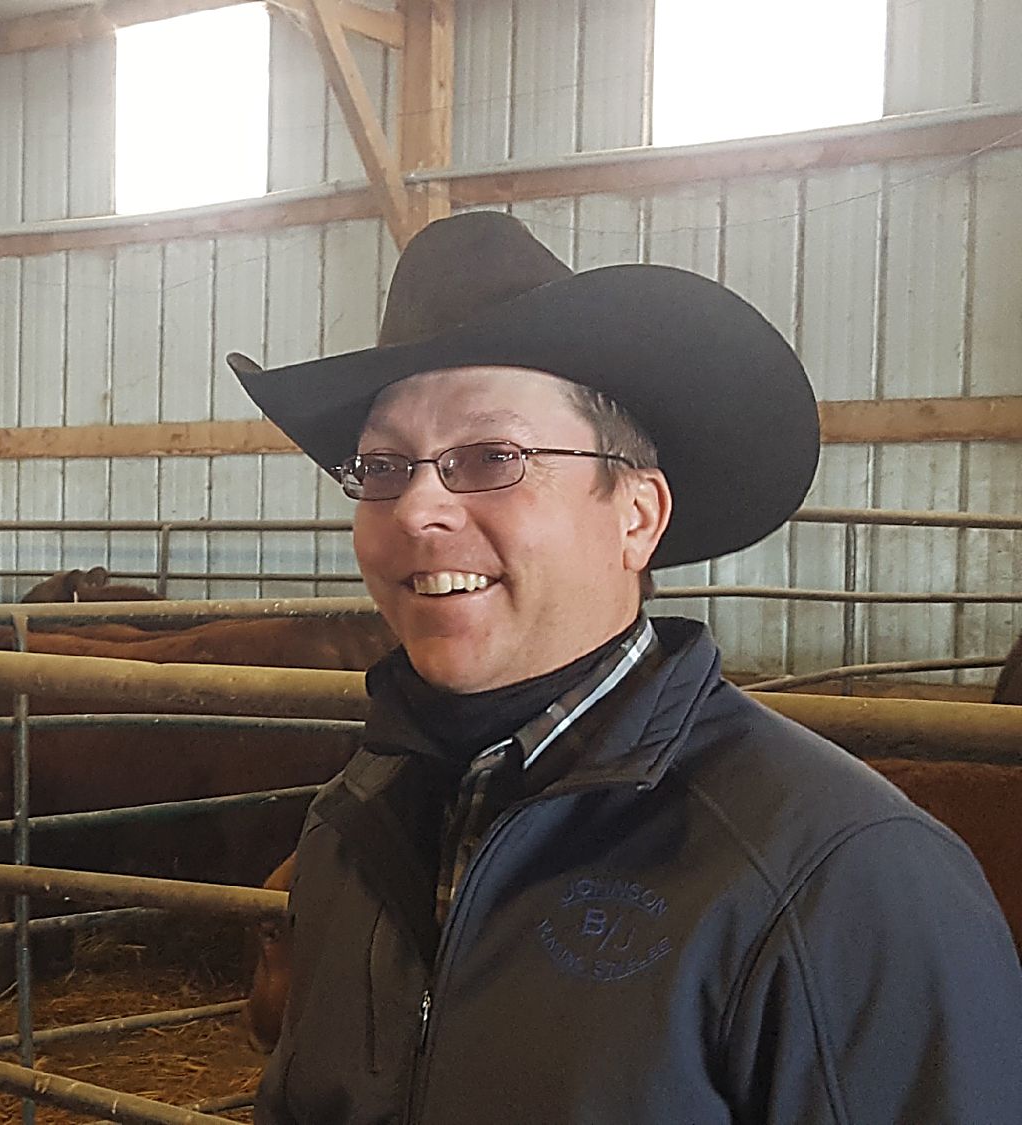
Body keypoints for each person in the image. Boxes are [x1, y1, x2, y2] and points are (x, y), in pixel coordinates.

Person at [228, 211, 1022, 1123]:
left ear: (636, 517)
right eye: (381, 465)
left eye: (492, 456)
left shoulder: (841, 879)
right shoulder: (350, 833)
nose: (415, 510)